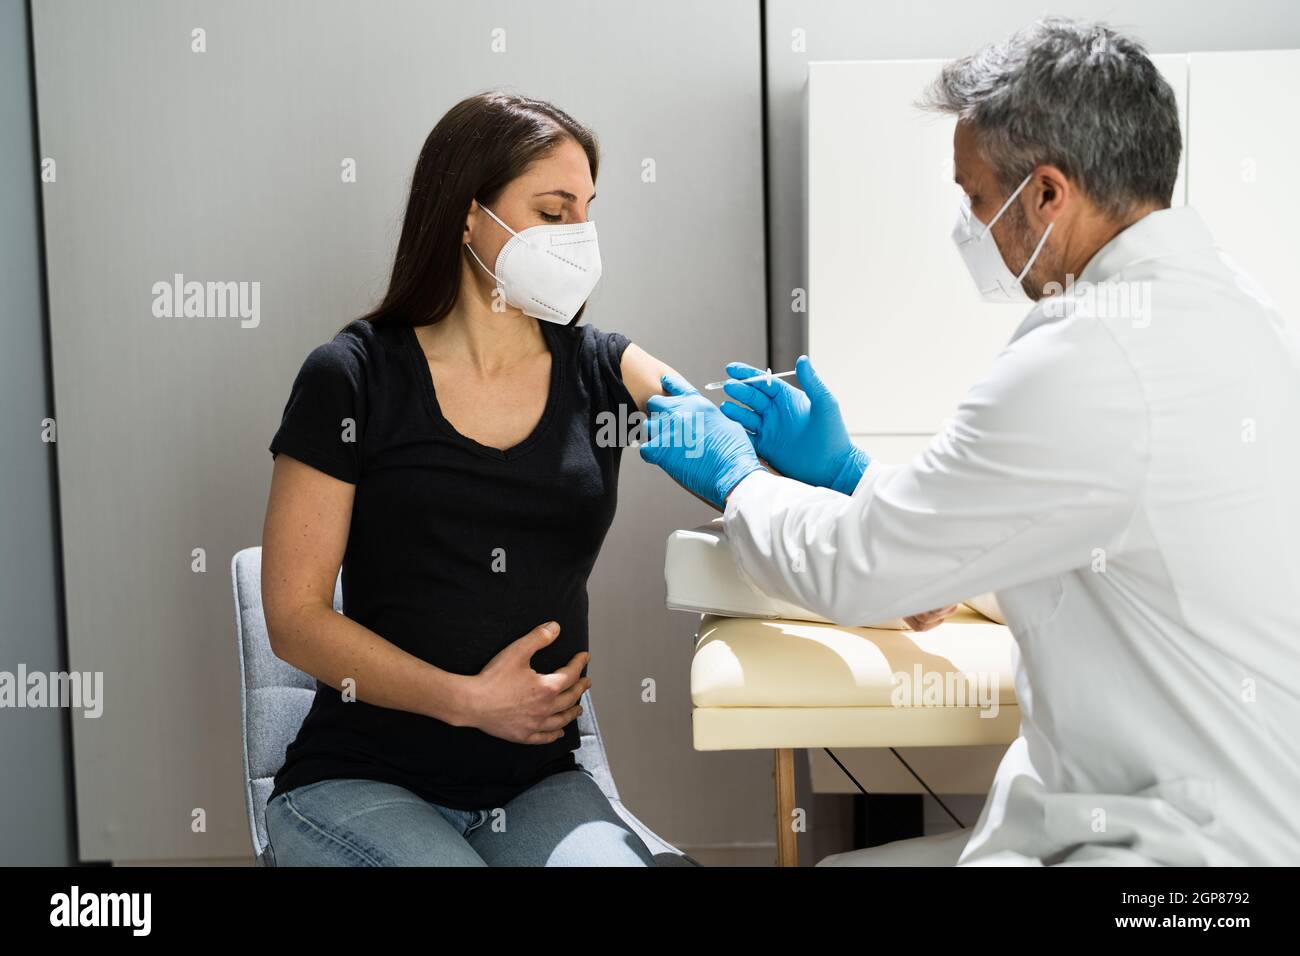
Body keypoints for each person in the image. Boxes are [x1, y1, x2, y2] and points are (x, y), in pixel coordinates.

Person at [639, 17, 1300, 865]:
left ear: (1049, 194)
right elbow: (1020, 527)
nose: (970, 223)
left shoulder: (1092, 356)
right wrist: (849, 472)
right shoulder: (1238, 312)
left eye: (977, 197)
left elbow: (865, 569)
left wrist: (736, 477)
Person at [260, 91, 680, 866]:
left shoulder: (600, 366)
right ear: (466, 214)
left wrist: (844, 492)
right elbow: (294, 616)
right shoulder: (353, 378)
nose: (578, 238)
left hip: (534, 783)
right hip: (360, 780)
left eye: (587, 212)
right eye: (554, 212)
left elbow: (719, 441)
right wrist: (470, 702)